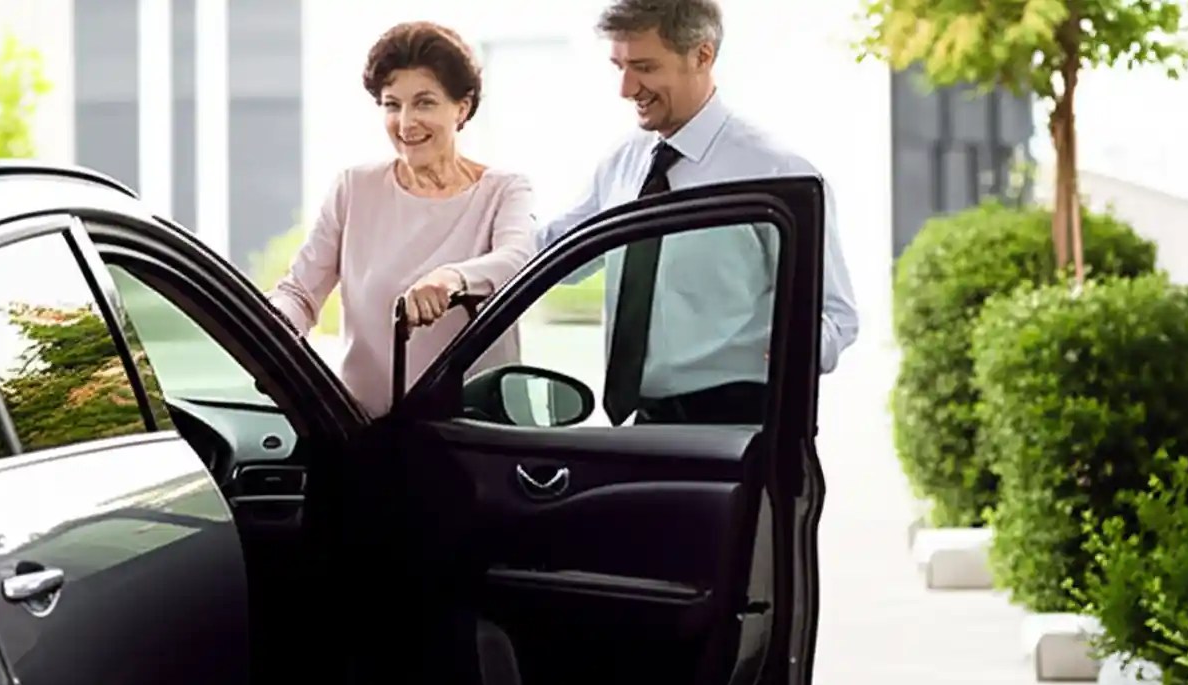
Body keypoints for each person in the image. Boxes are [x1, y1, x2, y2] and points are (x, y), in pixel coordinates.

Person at [537, 0, 859, 426]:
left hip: (741, 426)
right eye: (619, 67)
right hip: (642, 423)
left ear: (702, 55)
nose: (627, 88)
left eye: (645, 67)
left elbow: (836, 316)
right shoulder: (623, 163)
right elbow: (555, 256)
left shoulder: (778, 174)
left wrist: (796, 346)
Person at [267, 21, 536, 419]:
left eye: (424, 102)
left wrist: (450, 280)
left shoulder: (504, 190)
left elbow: (519, 260)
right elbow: (299, 293)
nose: (406, 123)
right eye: (392, 104)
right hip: (365, 430)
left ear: (462, 107)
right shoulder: (354, 188)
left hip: (476, 437)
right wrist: (266, 332)